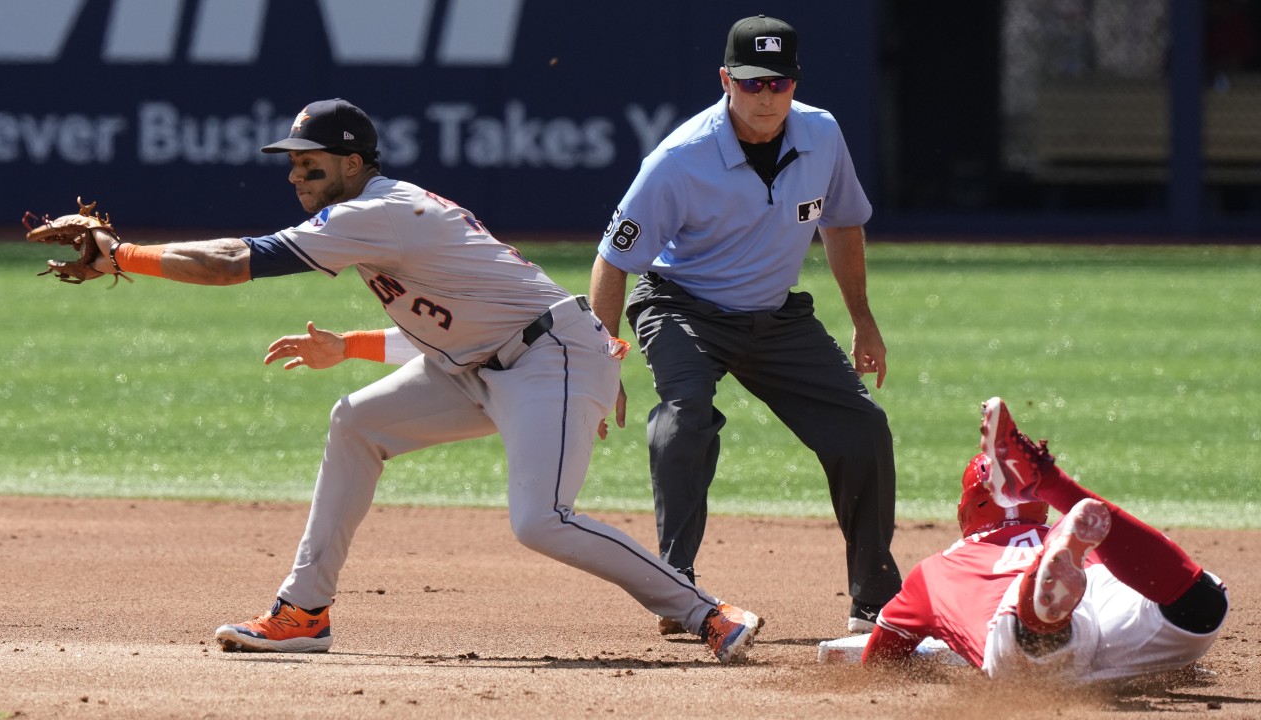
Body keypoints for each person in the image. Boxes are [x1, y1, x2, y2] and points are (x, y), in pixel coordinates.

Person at [67, 98, 762, 663]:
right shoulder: (380, 215)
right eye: (291, 166)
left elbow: (229, 262)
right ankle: (304, 611)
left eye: (308, 166)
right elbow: (459, 326)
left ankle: (705, 613)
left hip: (552, 361)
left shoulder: (373, 213)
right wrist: (352, 347)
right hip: (493, 363)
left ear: (351, 163)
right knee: (356, 422)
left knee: (540, 520)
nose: (295, 178)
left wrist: (122, 255)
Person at [588, 15, 901, 634]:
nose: (767, 97)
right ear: (726, 80)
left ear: (795, 83)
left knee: (862, 428)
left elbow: (841, 224)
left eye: (778, 83)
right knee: (686, 417)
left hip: (775, 316)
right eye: (752, 83)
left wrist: (863, 319)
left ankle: (874, 604)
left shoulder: (822, 135)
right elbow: (612, 262)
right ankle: (677, 589)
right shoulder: (678, 159)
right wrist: (604, 363)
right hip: (682, 306)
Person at [860, 396, 1230, 683]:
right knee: (1203, 605)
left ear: (965, 513)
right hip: (1101, 615)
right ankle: (1053, 486)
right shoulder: (1074, 538)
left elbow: (879, 659)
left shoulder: (932, 572)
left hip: (1020, 644)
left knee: (1037, 642)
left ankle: (1039, 624)